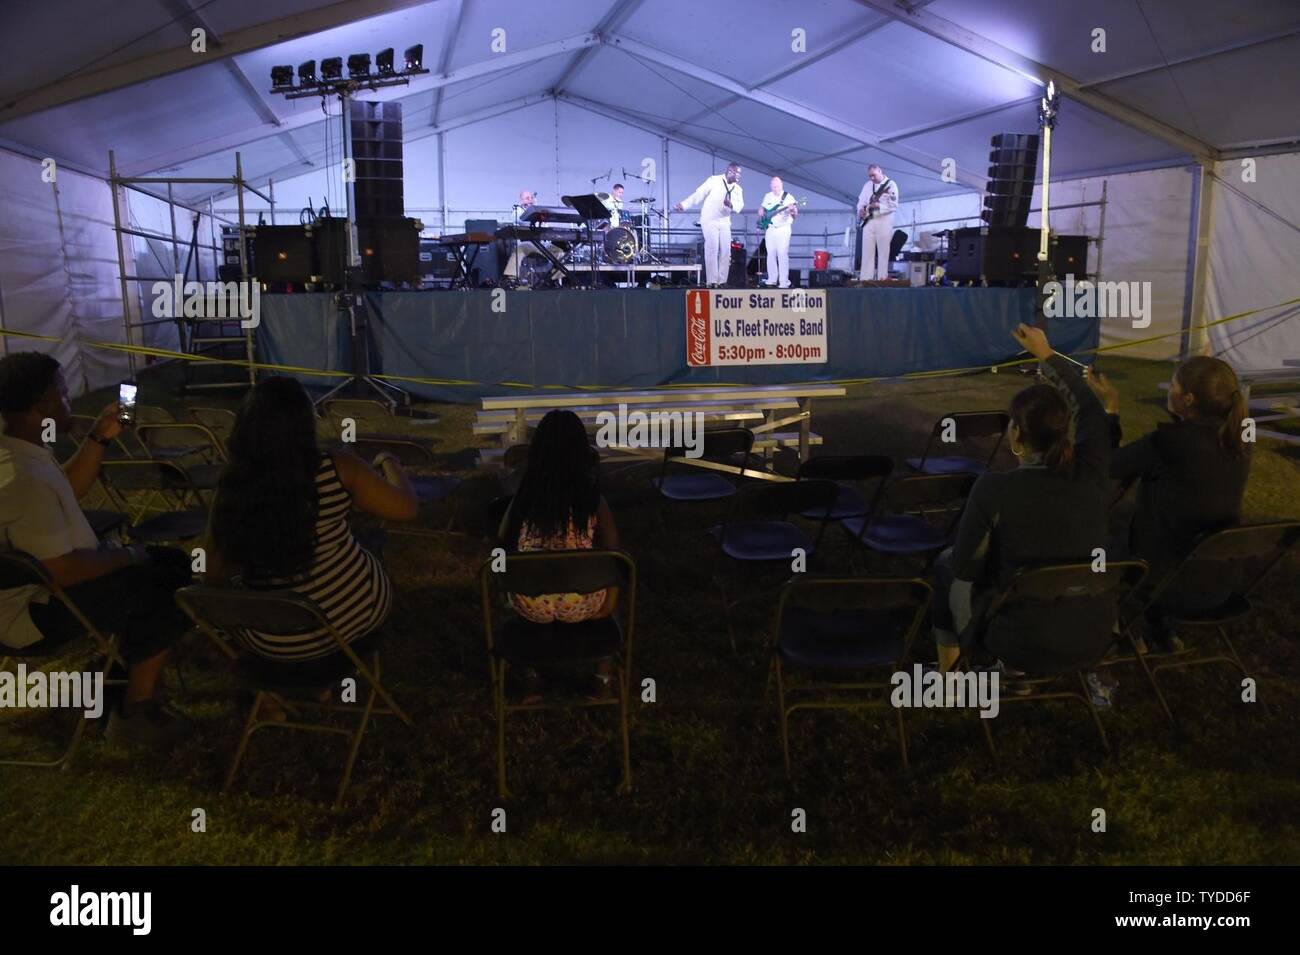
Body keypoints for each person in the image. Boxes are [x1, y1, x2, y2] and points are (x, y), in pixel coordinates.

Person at [0, 352, 194, 746]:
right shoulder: (25, 478)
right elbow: (62, 570)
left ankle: (122, 671)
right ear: (44, 404)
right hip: (35, 612)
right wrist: (125, 555)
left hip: (29, 597)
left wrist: (99, 437)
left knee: (164, 564)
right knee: (167, 582)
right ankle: (134, 710)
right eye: (64, 392)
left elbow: (67, 490)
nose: (70, 400)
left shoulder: (17, 452)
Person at [203, 377, 419, 681]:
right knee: (371, 543)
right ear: (305, 425)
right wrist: (389, 462)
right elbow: (406, 508)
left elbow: (212, 575)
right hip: (353, 622)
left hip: (269, 643)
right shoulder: (337, 468)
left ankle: (281, 691)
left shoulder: (231, 488)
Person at [932, 325, 1112, 674]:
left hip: (1017, 639)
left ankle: (948, 673)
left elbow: (966, 568)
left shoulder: (994, 488)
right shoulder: (1093, 470)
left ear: (1016, 433)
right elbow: (1092, 411)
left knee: (945, 565)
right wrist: (1047, 355)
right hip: (1094, 633)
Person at [1088, 355, 1252, 647]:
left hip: (1164, 582)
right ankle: (1162, 632)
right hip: (1218, 584)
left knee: (1094, 549)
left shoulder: (1168, 443)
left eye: (1173, 385)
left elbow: (1106, 463)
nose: (1168, 390)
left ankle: (1112, 632)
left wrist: (1111, 408)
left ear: (1188, 399)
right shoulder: (1238, 440)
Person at [500, 410, 620, 700]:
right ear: (583, 452)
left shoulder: (525, 497)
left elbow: (503, 538)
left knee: (519, 583)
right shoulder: (592, 498)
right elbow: (615, 554)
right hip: (586, 604)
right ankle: (602, 679)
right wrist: (611, 600)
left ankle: (531, 676)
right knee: (608, 591)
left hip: (530, 604)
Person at [675, 162, 744, 288]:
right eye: (737, 173)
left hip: (724, 221)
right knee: (712, 248)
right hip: (709, 219)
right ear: (730, 171)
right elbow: (699, 194)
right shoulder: (714, 180)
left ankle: (722, 281)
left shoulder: (738, 189)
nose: (739, 176)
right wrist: (684, 205)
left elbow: (740, 205)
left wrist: (732, 205)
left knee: (726, 250)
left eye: (740, 173)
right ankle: (711, 281)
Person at [857, 163, 899, 281]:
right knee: (867, 252)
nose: (872, 178)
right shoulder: (867, 185)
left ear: (880, 171)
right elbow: (861, 201)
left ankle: (882, 279)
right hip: (869, 221)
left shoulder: (891, 185)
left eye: (873, 175)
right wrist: (860, 210)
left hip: (884, 220)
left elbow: (894, 206)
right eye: (870, 176)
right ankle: (865, 280)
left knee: (883, 252)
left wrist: (879, 205)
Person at [759, 176, 798, 289]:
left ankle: (784, 281)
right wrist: (761, 210)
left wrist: (792, 211)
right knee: (770, 254)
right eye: (774, 186)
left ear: (781, 186)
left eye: (778, 186)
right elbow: (763, 208)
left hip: (783, 228)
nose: (776, 188)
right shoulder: (768, 196)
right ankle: (772, 279)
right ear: (771, 186)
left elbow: (795, 215)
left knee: (782, 254)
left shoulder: (788, 197)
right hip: (770, 228)